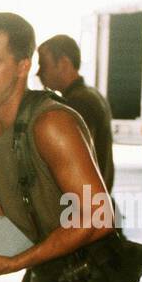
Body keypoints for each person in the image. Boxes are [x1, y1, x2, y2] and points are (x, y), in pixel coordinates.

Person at [0, 12, 142, 282]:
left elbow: (97, 217)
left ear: (22, 66)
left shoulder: (51, 123)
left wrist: (15, 263)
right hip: (47, 274)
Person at [37, 34, 115, 193]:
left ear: (64, 63)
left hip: (84, 206)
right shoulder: (90, 95)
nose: (38, 73)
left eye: (43, 65)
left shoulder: (78, 104)